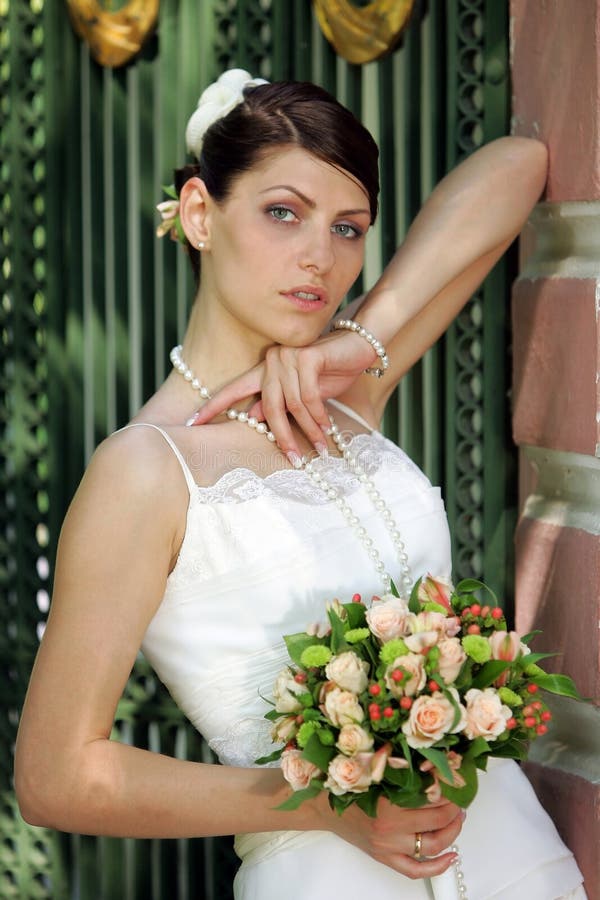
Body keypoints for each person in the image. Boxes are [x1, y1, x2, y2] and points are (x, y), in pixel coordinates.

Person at [15, 70, 586, 900]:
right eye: (284, 212)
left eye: (348, 227)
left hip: (521, 864)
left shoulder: (348, 396)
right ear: (201, 214)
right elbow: (55, 775)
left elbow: (518, 166)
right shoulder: (144, 471)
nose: (321, 256)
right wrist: (320, 802)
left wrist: (359, 342)